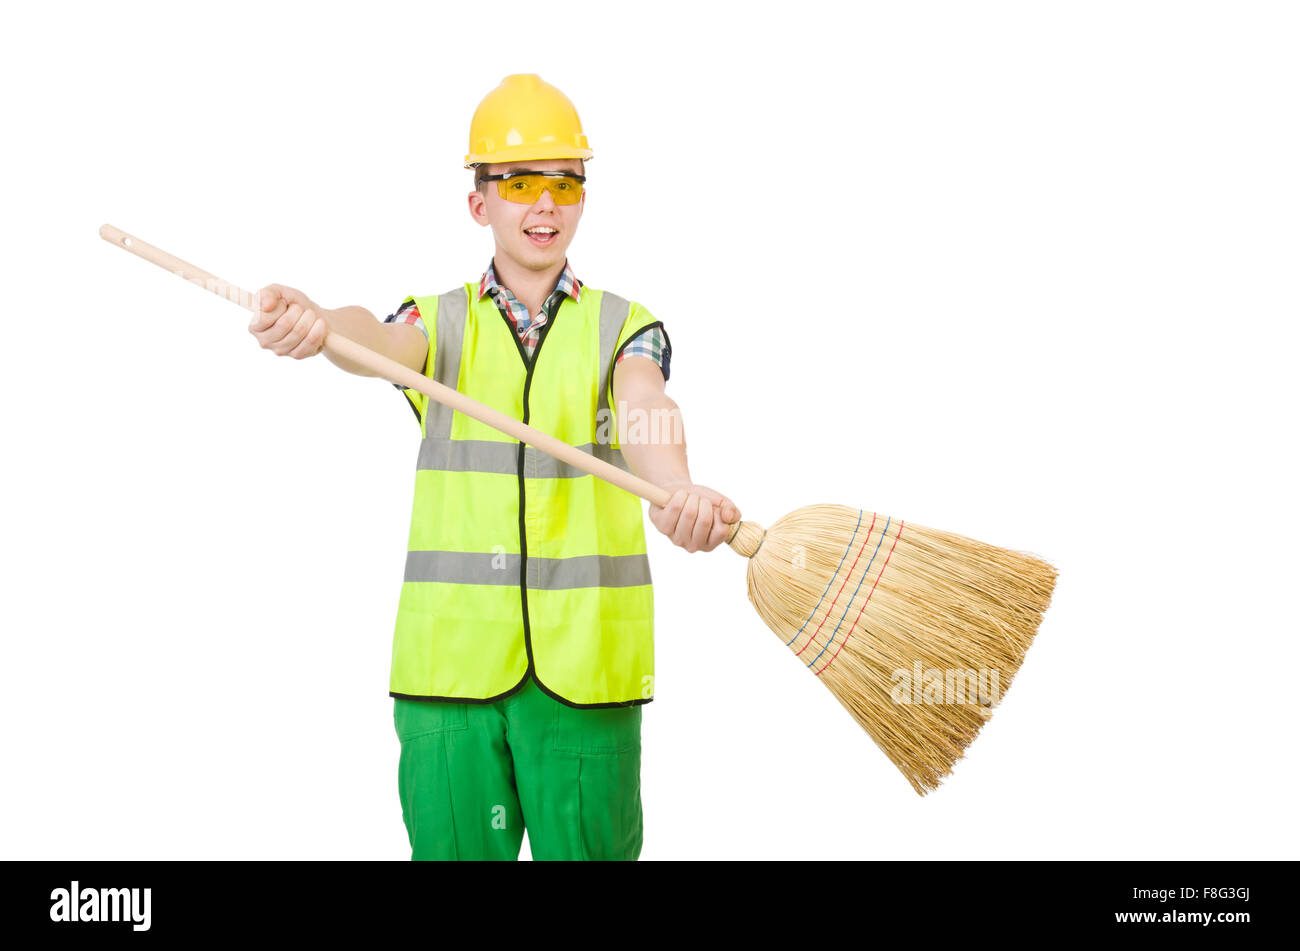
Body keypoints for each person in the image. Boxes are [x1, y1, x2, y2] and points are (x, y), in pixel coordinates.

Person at [247, 74, 739, 860]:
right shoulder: (436, 321)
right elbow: (376, 342)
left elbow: (645, 403)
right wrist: (321, 324)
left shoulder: (625, 326)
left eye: (565, 183)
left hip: (586, 675)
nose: (545, 204)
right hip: (450, 674)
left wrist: (676, 485)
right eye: (519, 183)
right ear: (479, 202)